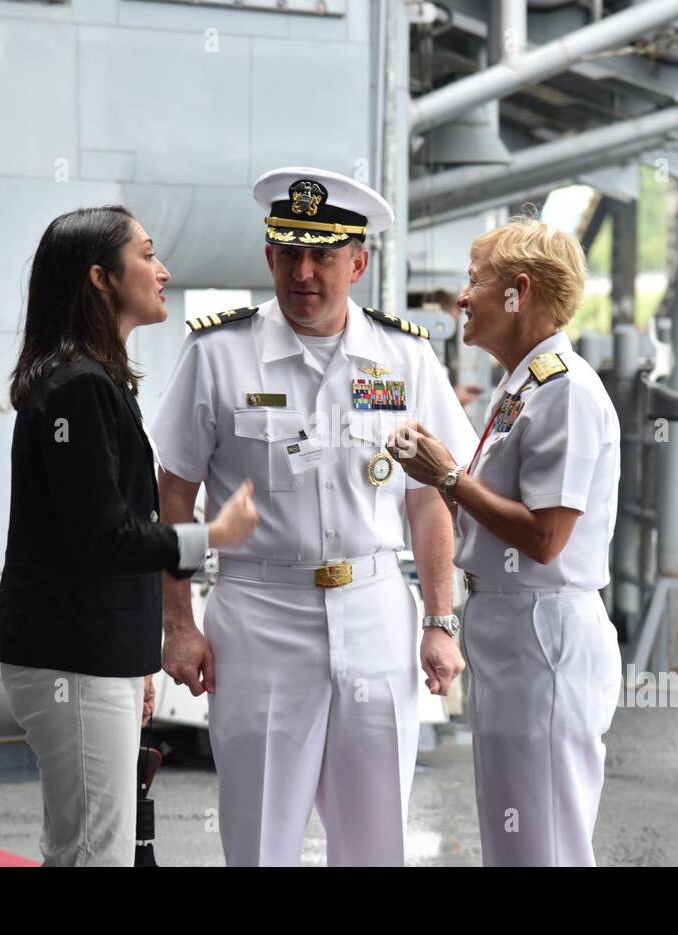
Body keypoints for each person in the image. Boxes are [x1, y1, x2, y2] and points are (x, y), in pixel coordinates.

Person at [150, 167, 477, 866]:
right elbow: (173, 491)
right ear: (268, 255)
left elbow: (429, 497)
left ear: (358, 262)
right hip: (261, 613)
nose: (303, 272)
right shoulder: (217, 352)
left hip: (374, 606)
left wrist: (440, 620)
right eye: (288, 252)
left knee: (375, 841)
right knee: (261, 836)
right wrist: (177, 621)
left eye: (323, 254)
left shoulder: (406, 356)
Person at [0, 205, 257, 866]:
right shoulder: (79, 387)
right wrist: (208, 535)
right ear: (101, 279)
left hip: (87, 654)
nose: (163, 271)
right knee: (93, 853)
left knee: (83, 844)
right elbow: (101, 538)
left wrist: (134, 655)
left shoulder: (91, 381)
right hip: (72, 657)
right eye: (147, 255)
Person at [387, 217, 622, 867]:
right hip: (508, 624)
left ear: (518, 291)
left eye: (474, 282)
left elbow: (547, 535)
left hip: (540, 627)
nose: (462, 297)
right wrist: (441, 482)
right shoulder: (522, 383)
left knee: (543, 843)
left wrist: (447, 476)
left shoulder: (565, 390)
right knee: (516, 840)